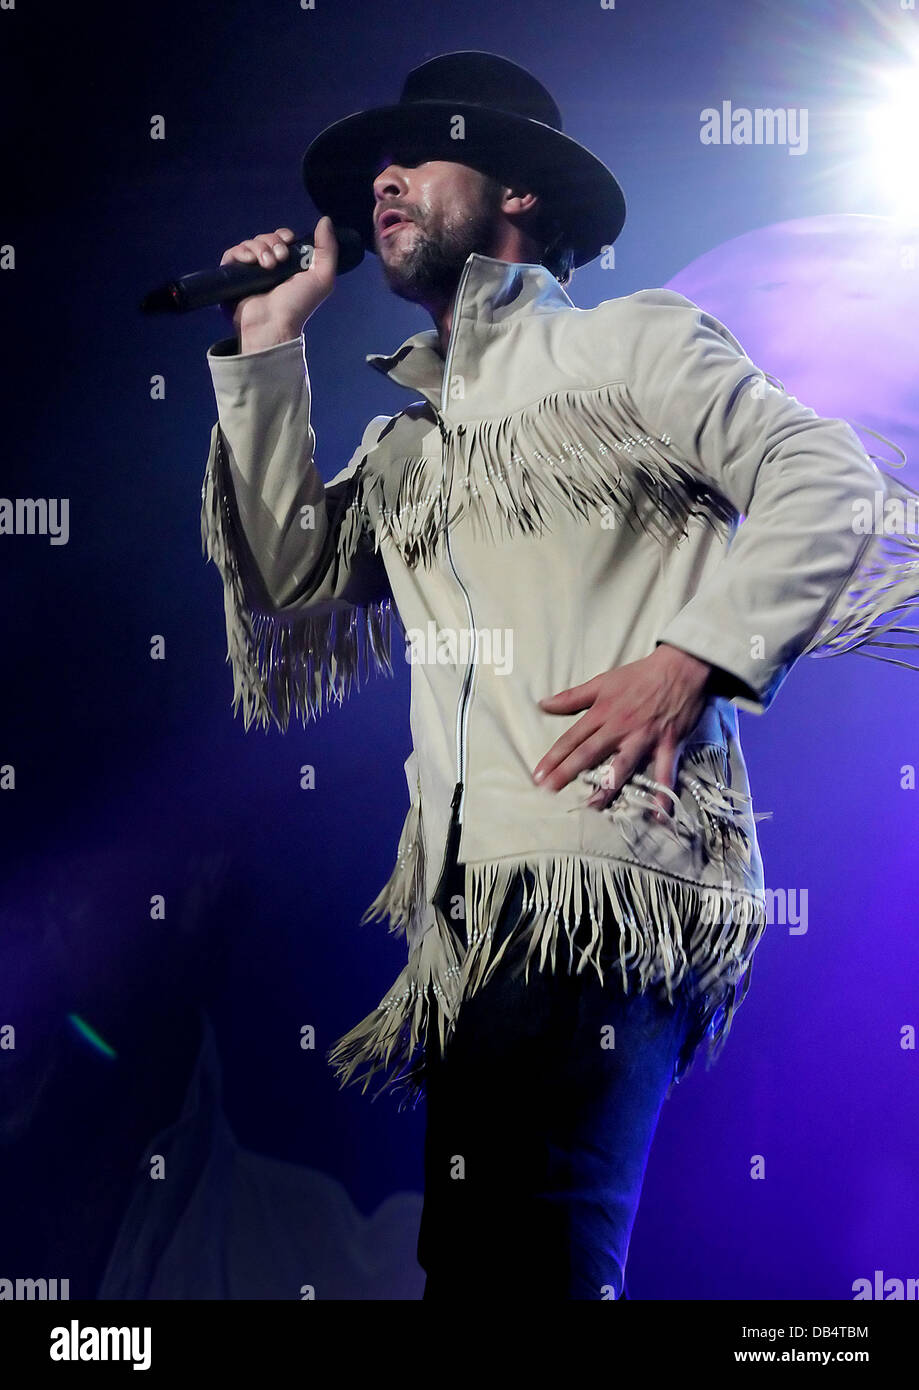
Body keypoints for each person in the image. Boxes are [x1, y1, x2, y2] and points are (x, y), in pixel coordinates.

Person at [199, 52, 919, 1299]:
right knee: (495, 1267)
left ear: (520, 190)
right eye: (379, 166)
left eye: (421, 156)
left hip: (599, 879)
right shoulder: (403, 442)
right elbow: (285, 581)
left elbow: (830, 481)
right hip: (475, 922)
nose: (385, 179)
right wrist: (266, 353)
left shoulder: (628, 346)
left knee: (515, 1259)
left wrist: (696, 658)